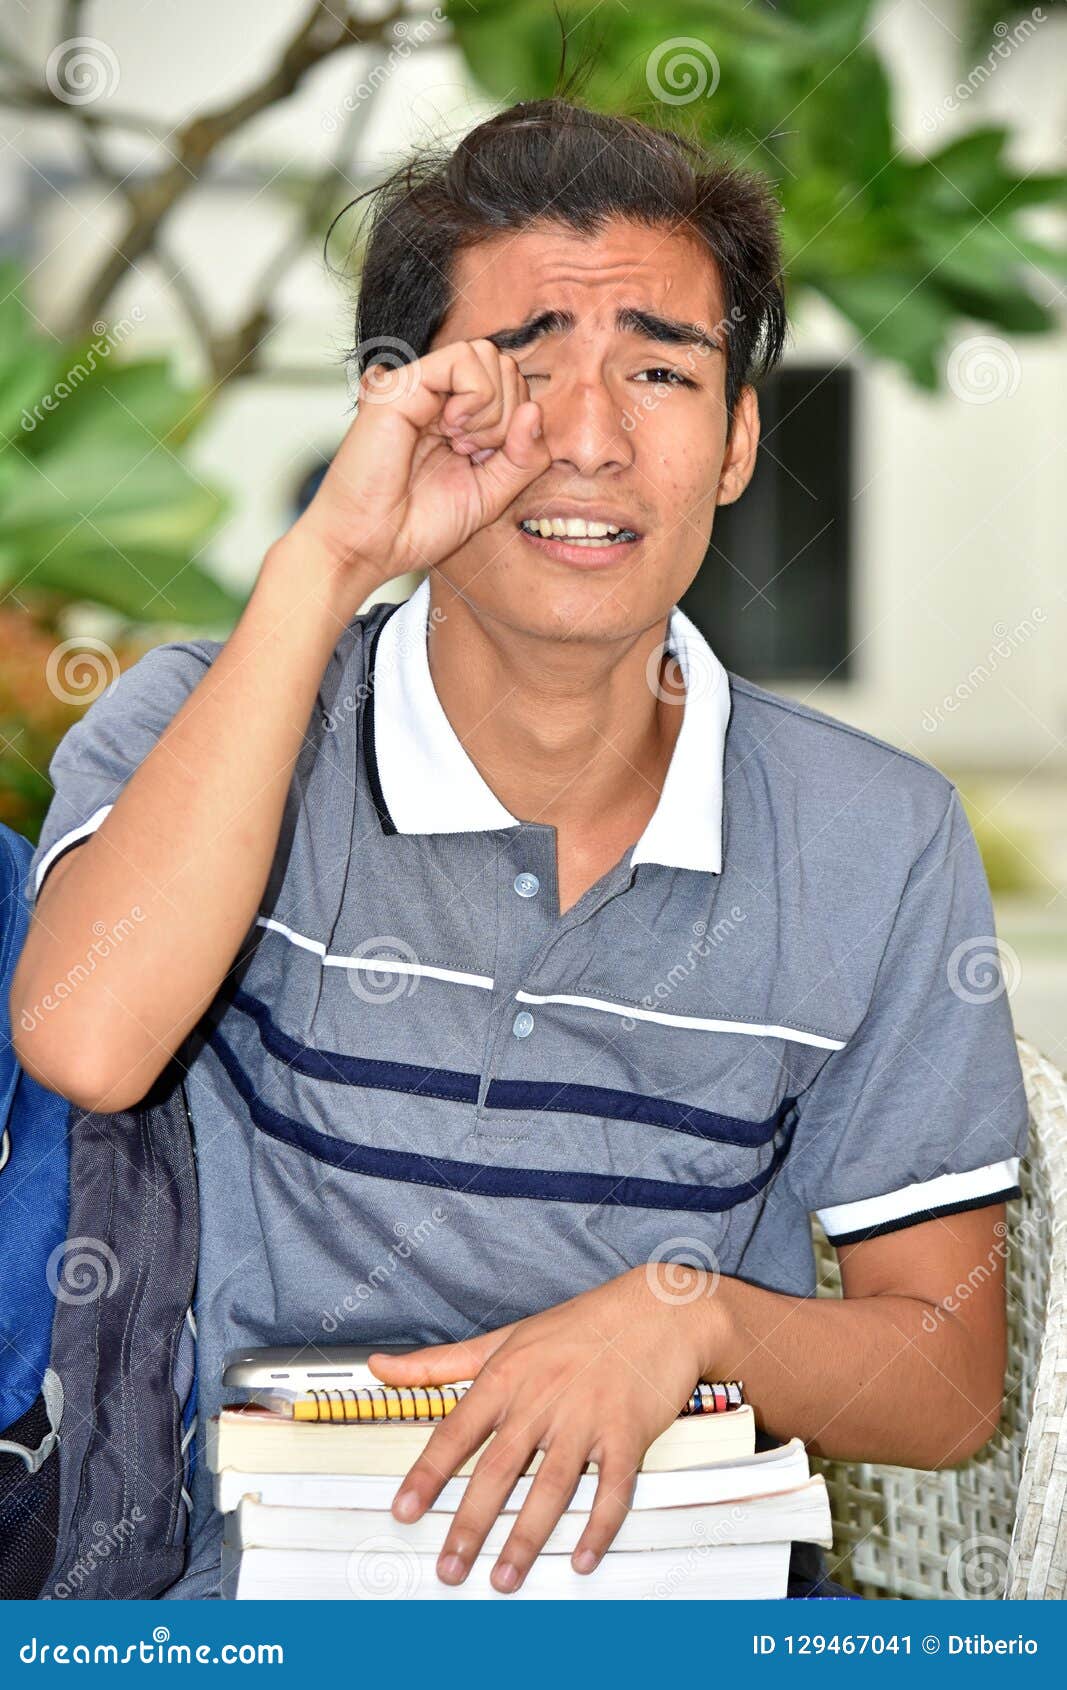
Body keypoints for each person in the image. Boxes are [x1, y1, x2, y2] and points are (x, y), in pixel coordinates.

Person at [10, 98, 1028, 1601]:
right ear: (395, 404)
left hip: (685, 1615)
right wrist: (329, 556)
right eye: (525, 372)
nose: (594, 441)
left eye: (664, 372)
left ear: (741, 438)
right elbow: (89, 1039)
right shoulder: (199, 728)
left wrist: (693, 1316)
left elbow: (947, 1381)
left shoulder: (877, 837)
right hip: (264, 1614)